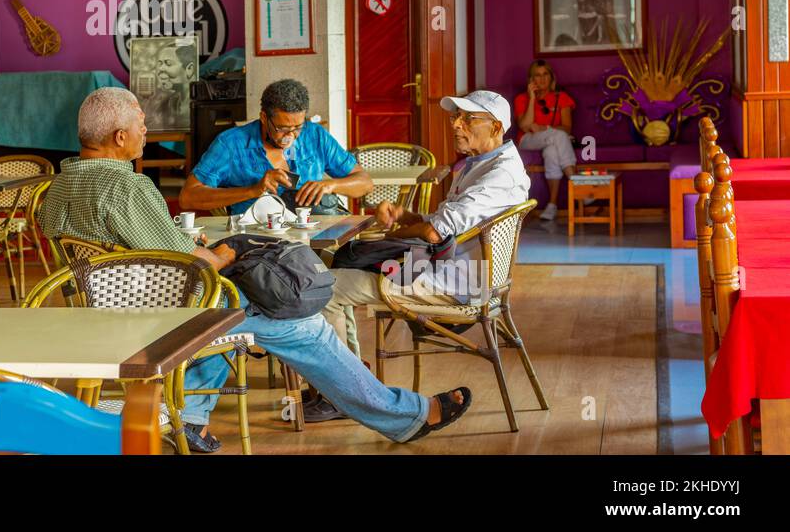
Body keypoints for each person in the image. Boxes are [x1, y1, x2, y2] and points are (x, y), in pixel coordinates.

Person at [38, 87, 470, 452]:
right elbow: (193, 266)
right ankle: (407, 417)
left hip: (108, 315)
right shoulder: (127, 186)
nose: (146, 130)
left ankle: (188, 415)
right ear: (118, 137)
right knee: (301, 321)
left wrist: (197, 251)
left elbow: (136, 250)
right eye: (140, 123)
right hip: (171, 317)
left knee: (242, 306)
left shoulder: (58, 187)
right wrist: (224, 253)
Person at [312, 90, 530, 421]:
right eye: (456, 117)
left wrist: (393, 234)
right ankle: (350, 378)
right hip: (442, 268)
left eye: (468, 119)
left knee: (324, 288)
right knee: (342, 261)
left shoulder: (500, 176)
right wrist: (402, 216)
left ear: (496, 127)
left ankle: (344, 394)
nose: (457, 125)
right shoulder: (481, 165)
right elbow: (439, 224)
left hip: (453, 283)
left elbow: (434, 233)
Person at [178, 78, 371, 216]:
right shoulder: (231, 144)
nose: (290, 136)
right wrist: (253, 190)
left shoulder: (314, 135)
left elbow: (364, 182)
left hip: (314, 234)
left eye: (297, 127)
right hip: (261, 242)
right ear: (264, 118)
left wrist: (330, 185)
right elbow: (187, 197)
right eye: (282, 128)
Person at [514, 59, 576, 221]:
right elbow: (524, 126)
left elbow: (567, 128)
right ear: (531, 79)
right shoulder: (522, 99)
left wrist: (545, 128)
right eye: (537, 75)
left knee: (551, 152)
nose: (541, 79)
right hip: (528, 140)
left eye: (545, 74)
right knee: (559, 136)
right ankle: (577, 183)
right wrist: (532, 98)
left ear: (551, 77)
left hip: (550, 138)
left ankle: (552, 205)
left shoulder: (561, 97)